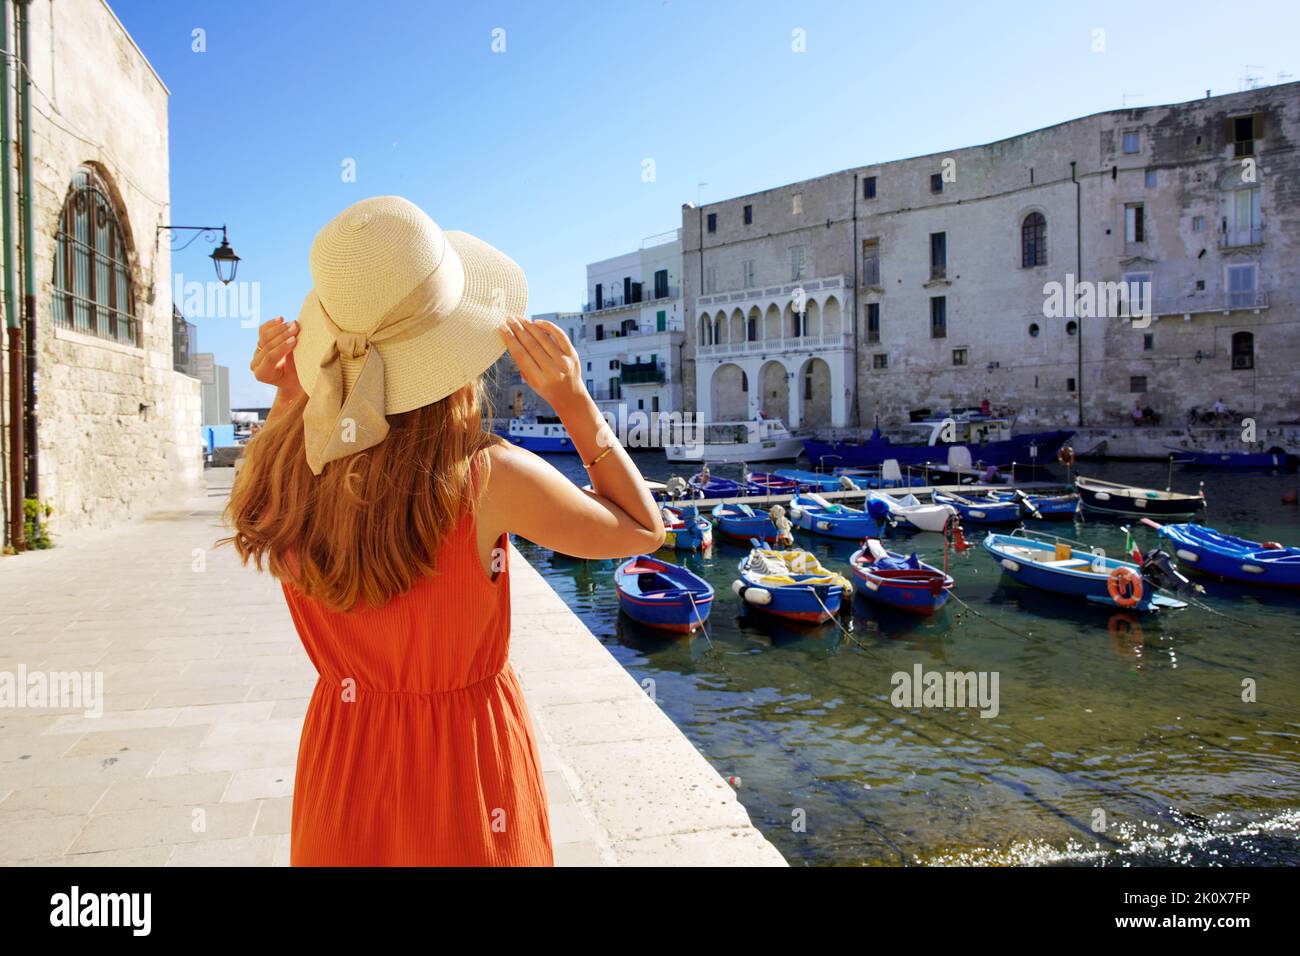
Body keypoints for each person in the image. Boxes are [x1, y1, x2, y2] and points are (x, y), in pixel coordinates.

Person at [223, 197, 665, 866]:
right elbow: (642, 528)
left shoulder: (286, 460)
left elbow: (290, 483)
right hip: (466, 770)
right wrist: (573, 401)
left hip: (343, 763)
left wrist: (291, 397)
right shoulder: (487, 476)